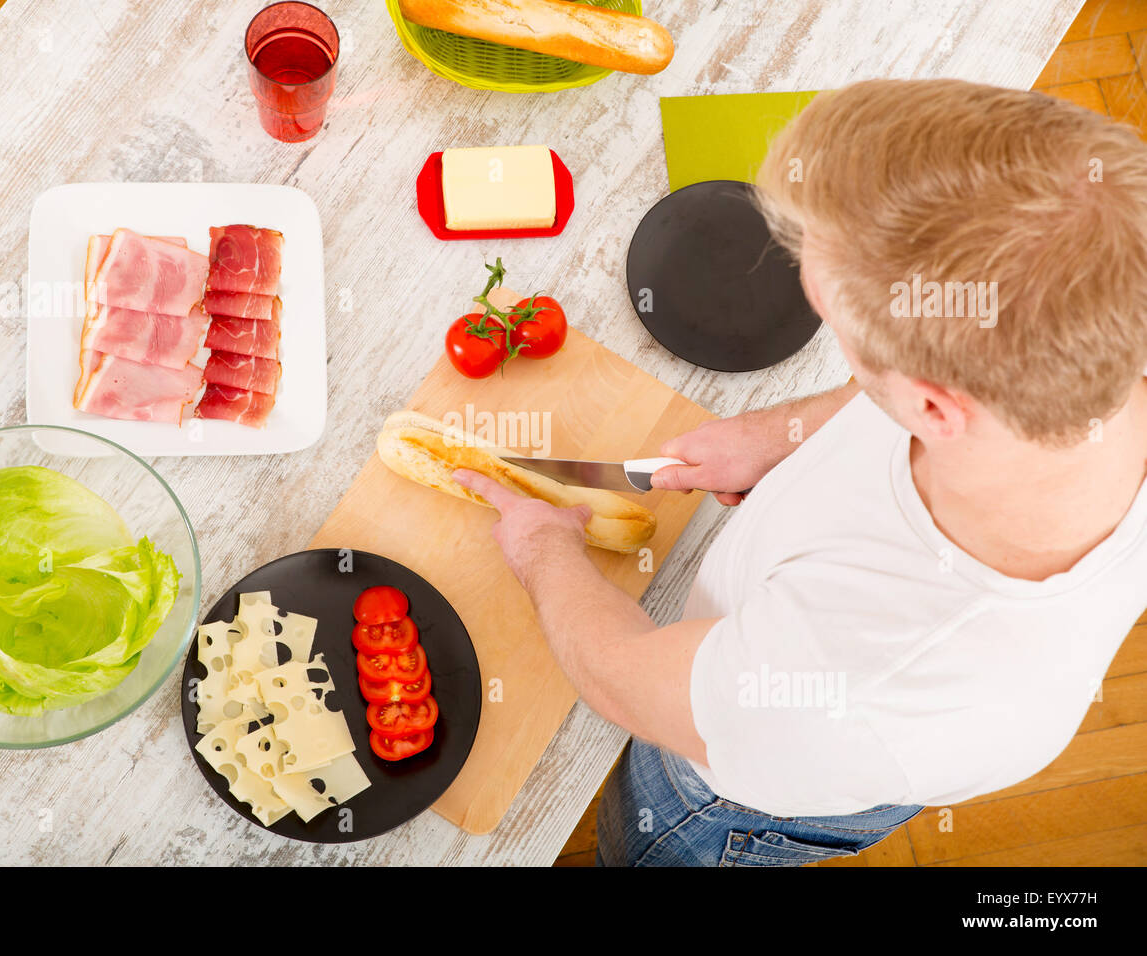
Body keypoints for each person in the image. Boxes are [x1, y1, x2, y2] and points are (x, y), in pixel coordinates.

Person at [451, 77, 1147, 866]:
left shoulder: (864, 680)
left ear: (932, 407)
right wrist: (782, 432)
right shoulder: (1104, 320)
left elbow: (626, 683)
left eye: (836, 323)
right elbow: (899, 389)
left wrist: (544, 548)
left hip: (718, 804)